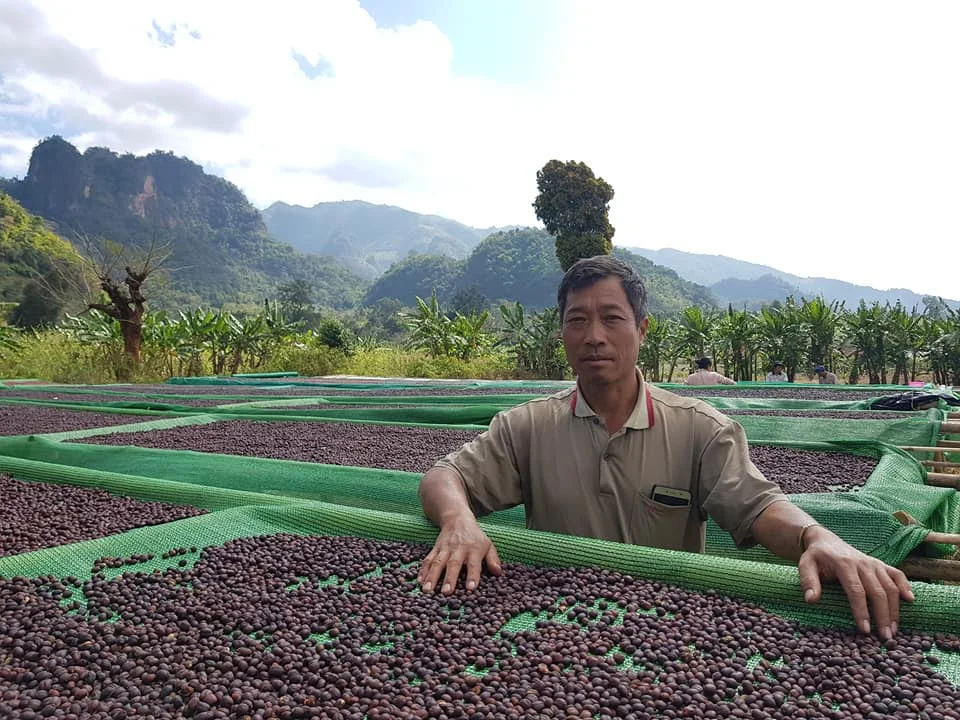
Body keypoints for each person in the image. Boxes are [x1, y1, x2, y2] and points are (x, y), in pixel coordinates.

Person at [417, 255, 911, 639]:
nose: (594, 337)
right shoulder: (526, 426)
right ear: (562, 332)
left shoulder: (700, 430)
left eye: (612, 319)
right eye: (577, 321)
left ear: (642, 330)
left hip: (665, 628)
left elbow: (759, 507)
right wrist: (459, 520)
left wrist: (815, 538)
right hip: (552, 623)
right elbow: (444, 476)